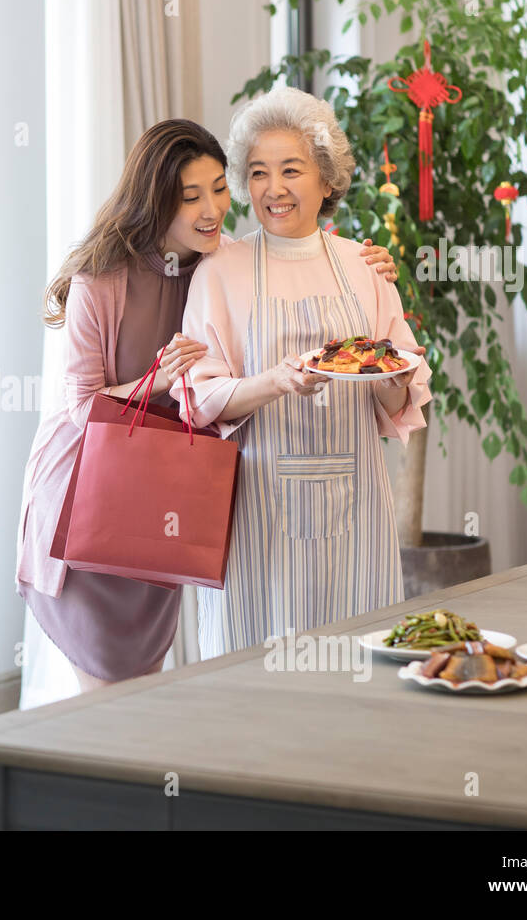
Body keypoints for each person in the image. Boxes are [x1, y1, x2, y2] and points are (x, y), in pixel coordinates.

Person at [15, 119, 399, 693]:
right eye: (190, 196)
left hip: (160, 498)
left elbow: (283, 278)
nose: (212, 208)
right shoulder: (101, 281)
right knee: (105, 699)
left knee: (142, 688)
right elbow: (77, 406)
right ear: (155, 201)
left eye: (219, 188)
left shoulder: (211, 266)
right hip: (85, 497)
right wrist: (157, 379)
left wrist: (365, 264)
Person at [173, 87, 431, 658]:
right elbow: (197, 397)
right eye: (258, 172)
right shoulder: (220, 270)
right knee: (255, 674)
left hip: (356, 506)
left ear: (327, 179)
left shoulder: (364, 266)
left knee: (355, 665)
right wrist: (276, 382)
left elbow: (401, 386)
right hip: (253, 514)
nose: (274, 188)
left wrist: (390, 377)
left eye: (292, 169)